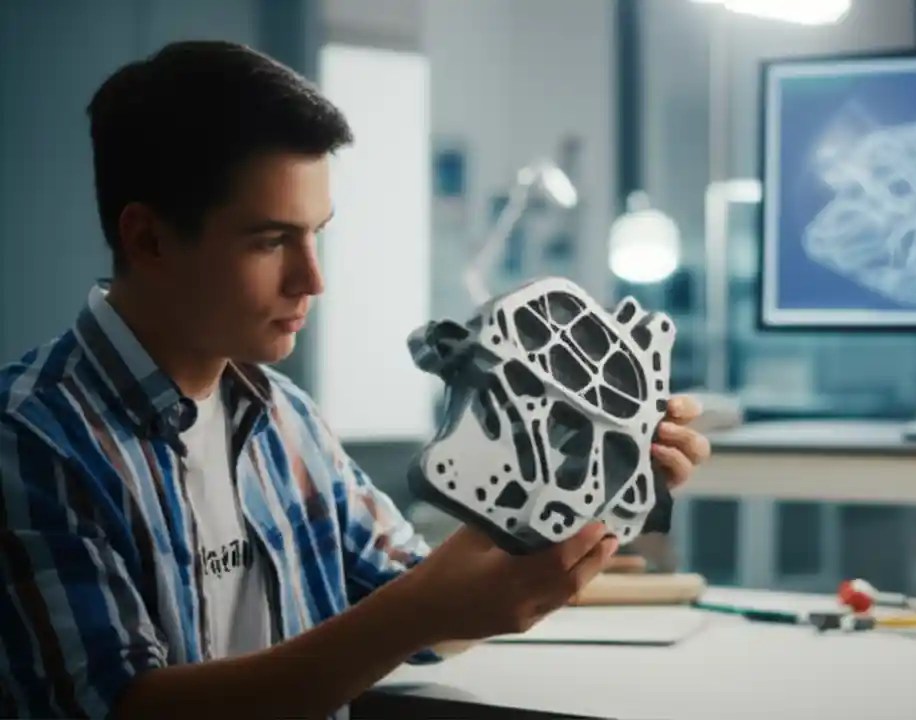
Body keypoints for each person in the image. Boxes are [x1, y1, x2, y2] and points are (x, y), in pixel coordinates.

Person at [0, 41, 712, 719]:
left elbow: (421, 614)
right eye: (270, 240)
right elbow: (123, 710)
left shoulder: (286, 422)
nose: (313, 279)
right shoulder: (30, 441)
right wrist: (424, 610)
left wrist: (595, 475)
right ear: (147, 237)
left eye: (317, 234)